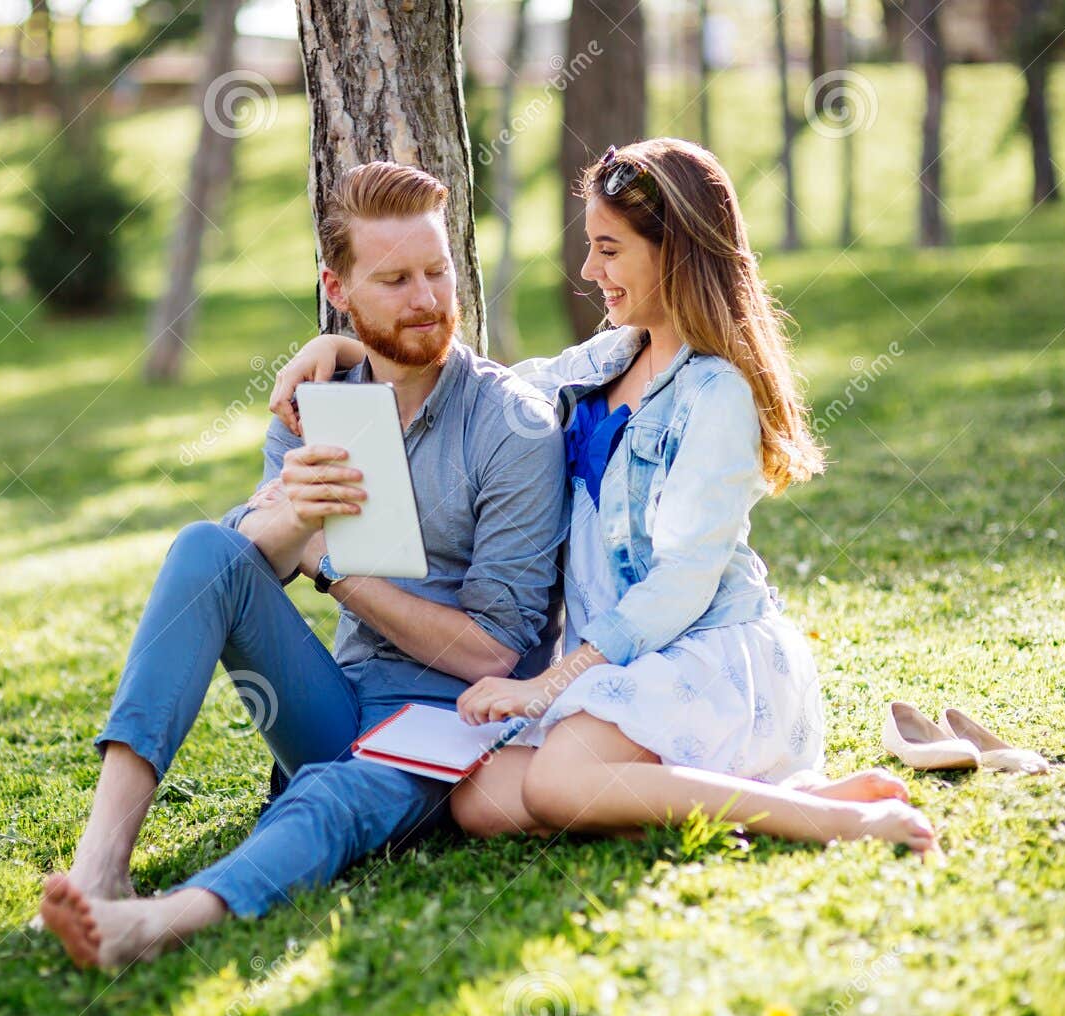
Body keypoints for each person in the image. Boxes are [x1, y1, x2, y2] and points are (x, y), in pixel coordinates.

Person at [270, 139, 940, 858]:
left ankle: (835, 821)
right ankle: (776, 801)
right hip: (621, 673)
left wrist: (549, 685)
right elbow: (476, 383)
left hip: (703, 656)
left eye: (609, 250)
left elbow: (681, 585)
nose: (590, 271)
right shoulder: (604, 358)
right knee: (478, 798)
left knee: (557, 783)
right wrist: (341, 351)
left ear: (673, 252)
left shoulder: (717, 394)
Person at [40, 162, 568, 969]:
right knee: (202, 546)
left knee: (332, 795)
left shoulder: (512, 429)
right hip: (339, 701)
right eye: (394, 279)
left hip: (457, 726)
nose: (425, 298)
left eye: (437, 270)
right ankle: (102, 860)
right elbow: (235, 564)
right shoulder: (318, 401)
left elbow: (494, 653)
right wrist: (292, 512)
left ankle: (159, 923)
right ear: (340, 286)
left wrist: (330, 564)